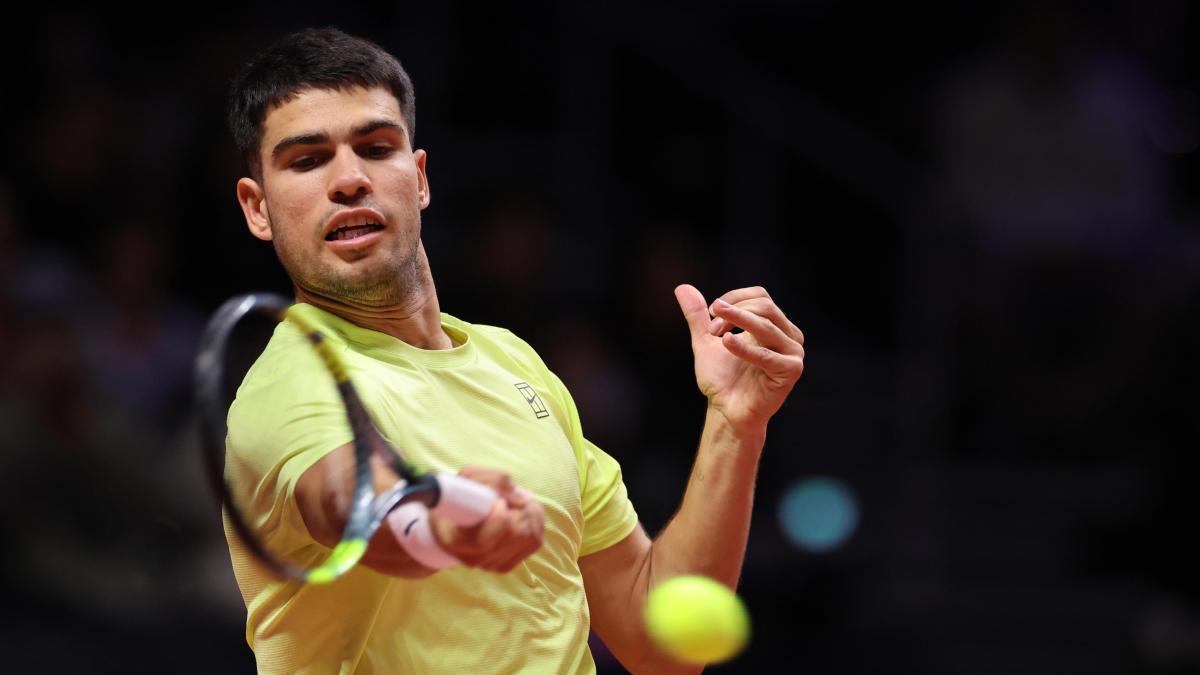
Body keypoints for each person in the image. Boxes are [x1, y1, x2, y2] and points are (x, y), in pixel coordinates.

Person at [223, 27, 805, 675]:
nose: (350, 179)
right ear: (258, 209)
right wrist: (439, 522)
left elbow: (657, 640)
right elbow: (356, 503)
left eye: (376, 147)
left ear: (418, 179)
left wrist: (735, 421)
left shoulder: (513, 363)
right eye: (307, 160)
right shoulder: (292, 383)